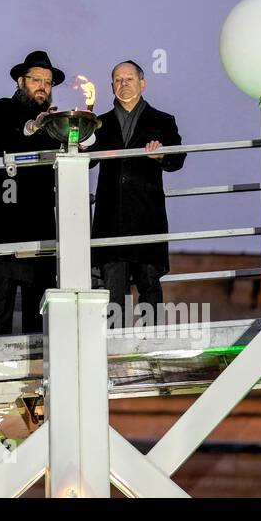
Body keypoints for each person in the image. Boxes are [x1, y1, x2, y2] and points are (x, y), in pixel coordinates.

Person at [0, 50, 70, 336]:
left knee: (38, 308)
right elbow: (7, 139)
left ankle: (39, 367)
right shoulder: (3, 108)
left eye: (48, 82)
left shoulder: (54, 122)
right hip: (5, 224)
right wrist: (33, 126)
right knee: (0, 308)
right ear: (20, 81)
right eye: (36, 79)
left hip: (39, 224)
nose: (43, 86)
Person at [83, 60, 185, 327]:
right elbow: (87, 161)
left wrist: (163, 154)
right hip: (111, 221)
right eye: (117, 79)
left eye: (129, 78)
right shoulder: (99, 123)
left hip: (146, 218)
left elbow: (178, 159)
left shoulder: (163, 120)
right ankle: (114, 349)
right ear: (111, 85)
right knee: (113, 294)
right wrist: (80, 136)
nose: (123, 84)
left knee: (149, 287)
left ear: (143, 83)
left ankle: (151, 343)